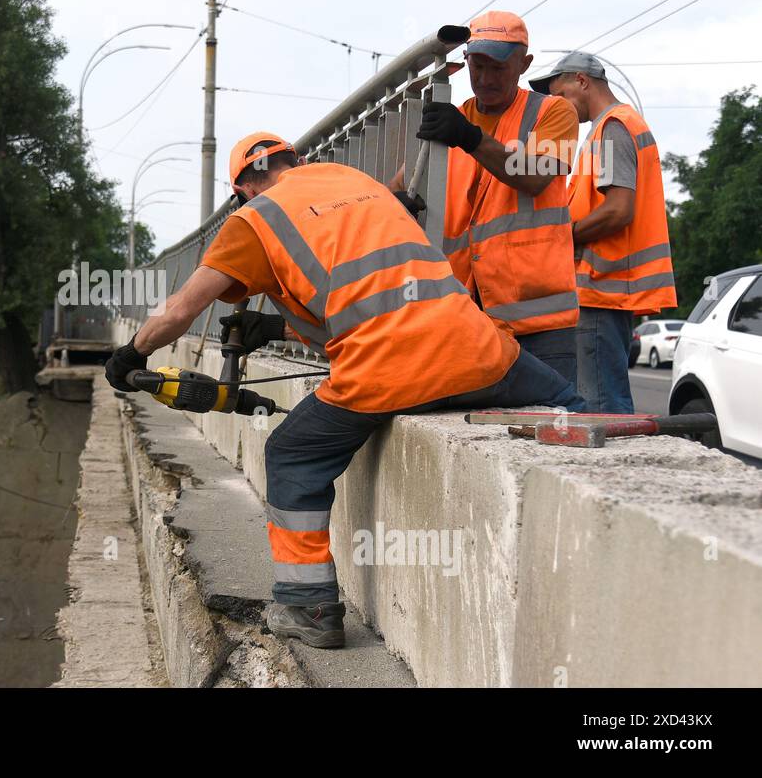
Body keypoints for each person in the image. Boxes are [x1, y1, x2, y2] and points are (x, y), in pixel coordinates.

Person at [107, 132, 584, 649]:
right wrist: (274, 330)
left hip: (386, 375)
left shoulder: (254, 219)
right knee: (569, 405)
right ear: (299, 161)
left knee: (291, 453)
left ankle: (309, 606)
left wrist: (132, 354)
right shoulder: (356, 183)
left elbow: (181, 309)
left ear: (242, 188)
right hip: (478, 352)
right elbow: (364, 301)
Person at [395, 11, 581, 384]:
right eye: (477, 66)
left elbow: (536, 176)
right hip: (468, 320)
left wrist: (471, 138)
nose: (486, 78)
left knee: (548, 430)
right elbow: (401, 185)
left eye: (498, 67)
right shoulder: (455, 119)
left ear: (524, 64)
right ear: (465, 62)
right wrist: (396, 205)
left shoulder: (553, 111)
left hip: (539, 323)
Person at [529, 52, 677, 412]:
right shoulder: (605, 130)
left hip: (602, 291)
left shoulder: (613, 127)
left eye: (559, 95)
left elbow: (618, 210)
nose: (556, 106)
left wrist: (559, 236)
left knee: (600, 409)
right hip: (602, 290)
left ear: (582, 81)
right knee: (600, 402)